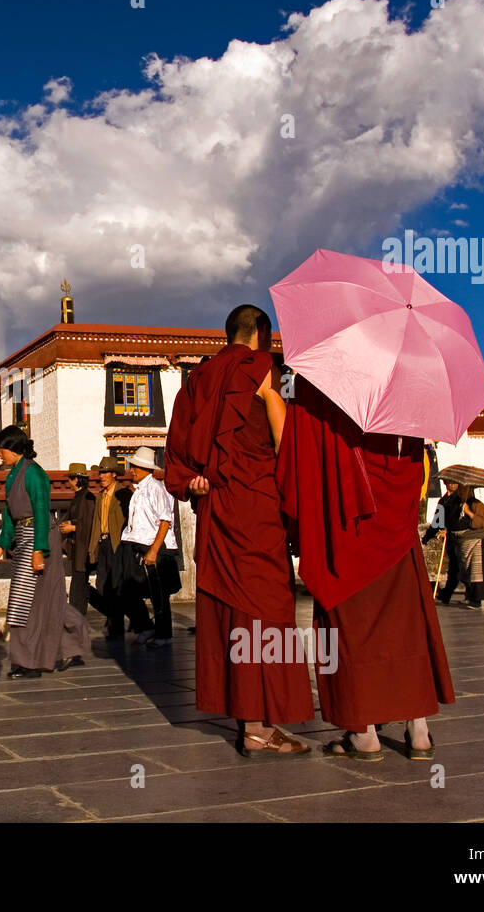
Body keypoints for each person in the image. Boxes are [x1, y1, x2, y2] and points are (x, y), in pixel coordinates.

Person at [278, 376, 455, 760]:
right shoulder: (404, 385)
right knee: (405, 629)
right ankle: (418, 730)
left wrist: (298, 525)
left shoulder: (318, 382)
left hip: (346, 531)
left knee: (351, 632)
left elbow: (296, 462)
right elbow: (414, 469)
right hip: (397, 532)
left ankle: (365, 733)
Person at [164, 304, 314, 756]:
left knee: (231, 614)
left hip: (216, 508)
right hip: (257, 508)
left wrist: (193, 480)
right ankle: (259, 726)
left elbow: (178, 453)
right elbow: (285, 443)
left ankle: (250, 720)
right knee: (266, 610)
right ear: (261, 336)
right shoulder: (261, 368)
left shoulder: (197, 380)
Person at [0, 426, 89, 678]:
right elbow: (10, 515)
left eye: (1, 447)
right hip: (23, 539)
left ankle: (29, 662)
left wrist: (39, 549)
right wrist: (2, 543)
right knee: (42, 600)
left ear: (12, 449)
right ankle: (66, 647)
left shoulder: (35, 474)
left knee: (26, 601)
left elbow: (41, 512)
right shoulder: (13, 474)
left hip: (40, 537)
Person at [118, 447, 181, 647]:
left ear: (146, 468)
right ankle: (145, 626)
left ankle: (164, 634)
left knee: (158, 593)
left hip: (155, 547)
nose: (132, 470)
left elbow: (165, 520)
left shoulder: (156, 489)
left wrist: (154, 550)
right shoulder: (138, 491)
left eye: (136, 466)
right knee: (128, 589)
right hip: (136, 544)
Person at [87, 457, 153, 642]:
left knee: (120, 588)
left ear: (114, 474)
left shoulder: (124, 494)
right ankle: (116, 623)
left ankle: (135, 624)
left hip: (119, 545)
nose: (102, 476)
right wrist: (93, 548)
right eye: (100, 473)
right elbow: (96, 525)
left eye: (105, 472)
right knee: (103, 586)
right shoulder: (100, 496)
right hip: (104, 543)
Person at [58, 463, 97, 613]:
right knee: (80, 584)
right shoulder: (77, 497)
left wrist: (74, 527)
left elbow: (91, 525)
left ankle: (77, 617)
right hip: (76, 547)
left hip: (84, 548)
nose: (69, 482)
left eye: (71, 478)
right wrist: (70, 523)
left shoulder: (88, 497)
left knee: (78, 586)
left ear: (77, 479)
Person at [421, 479, 465, 604]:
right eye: (450, 483)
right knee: (455, 566)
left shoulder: (460, 500)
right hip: (450, 539)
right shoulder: (443, 501)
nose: (453, 484)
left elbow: (460, 520)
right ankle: (447, 594)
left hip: (458, 536)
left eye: (455, 482)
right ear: (446, 484)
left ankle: (449, 593)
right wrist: (428, 536)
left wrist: (449, 530)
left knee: (459, 566)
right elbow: (437, 521)